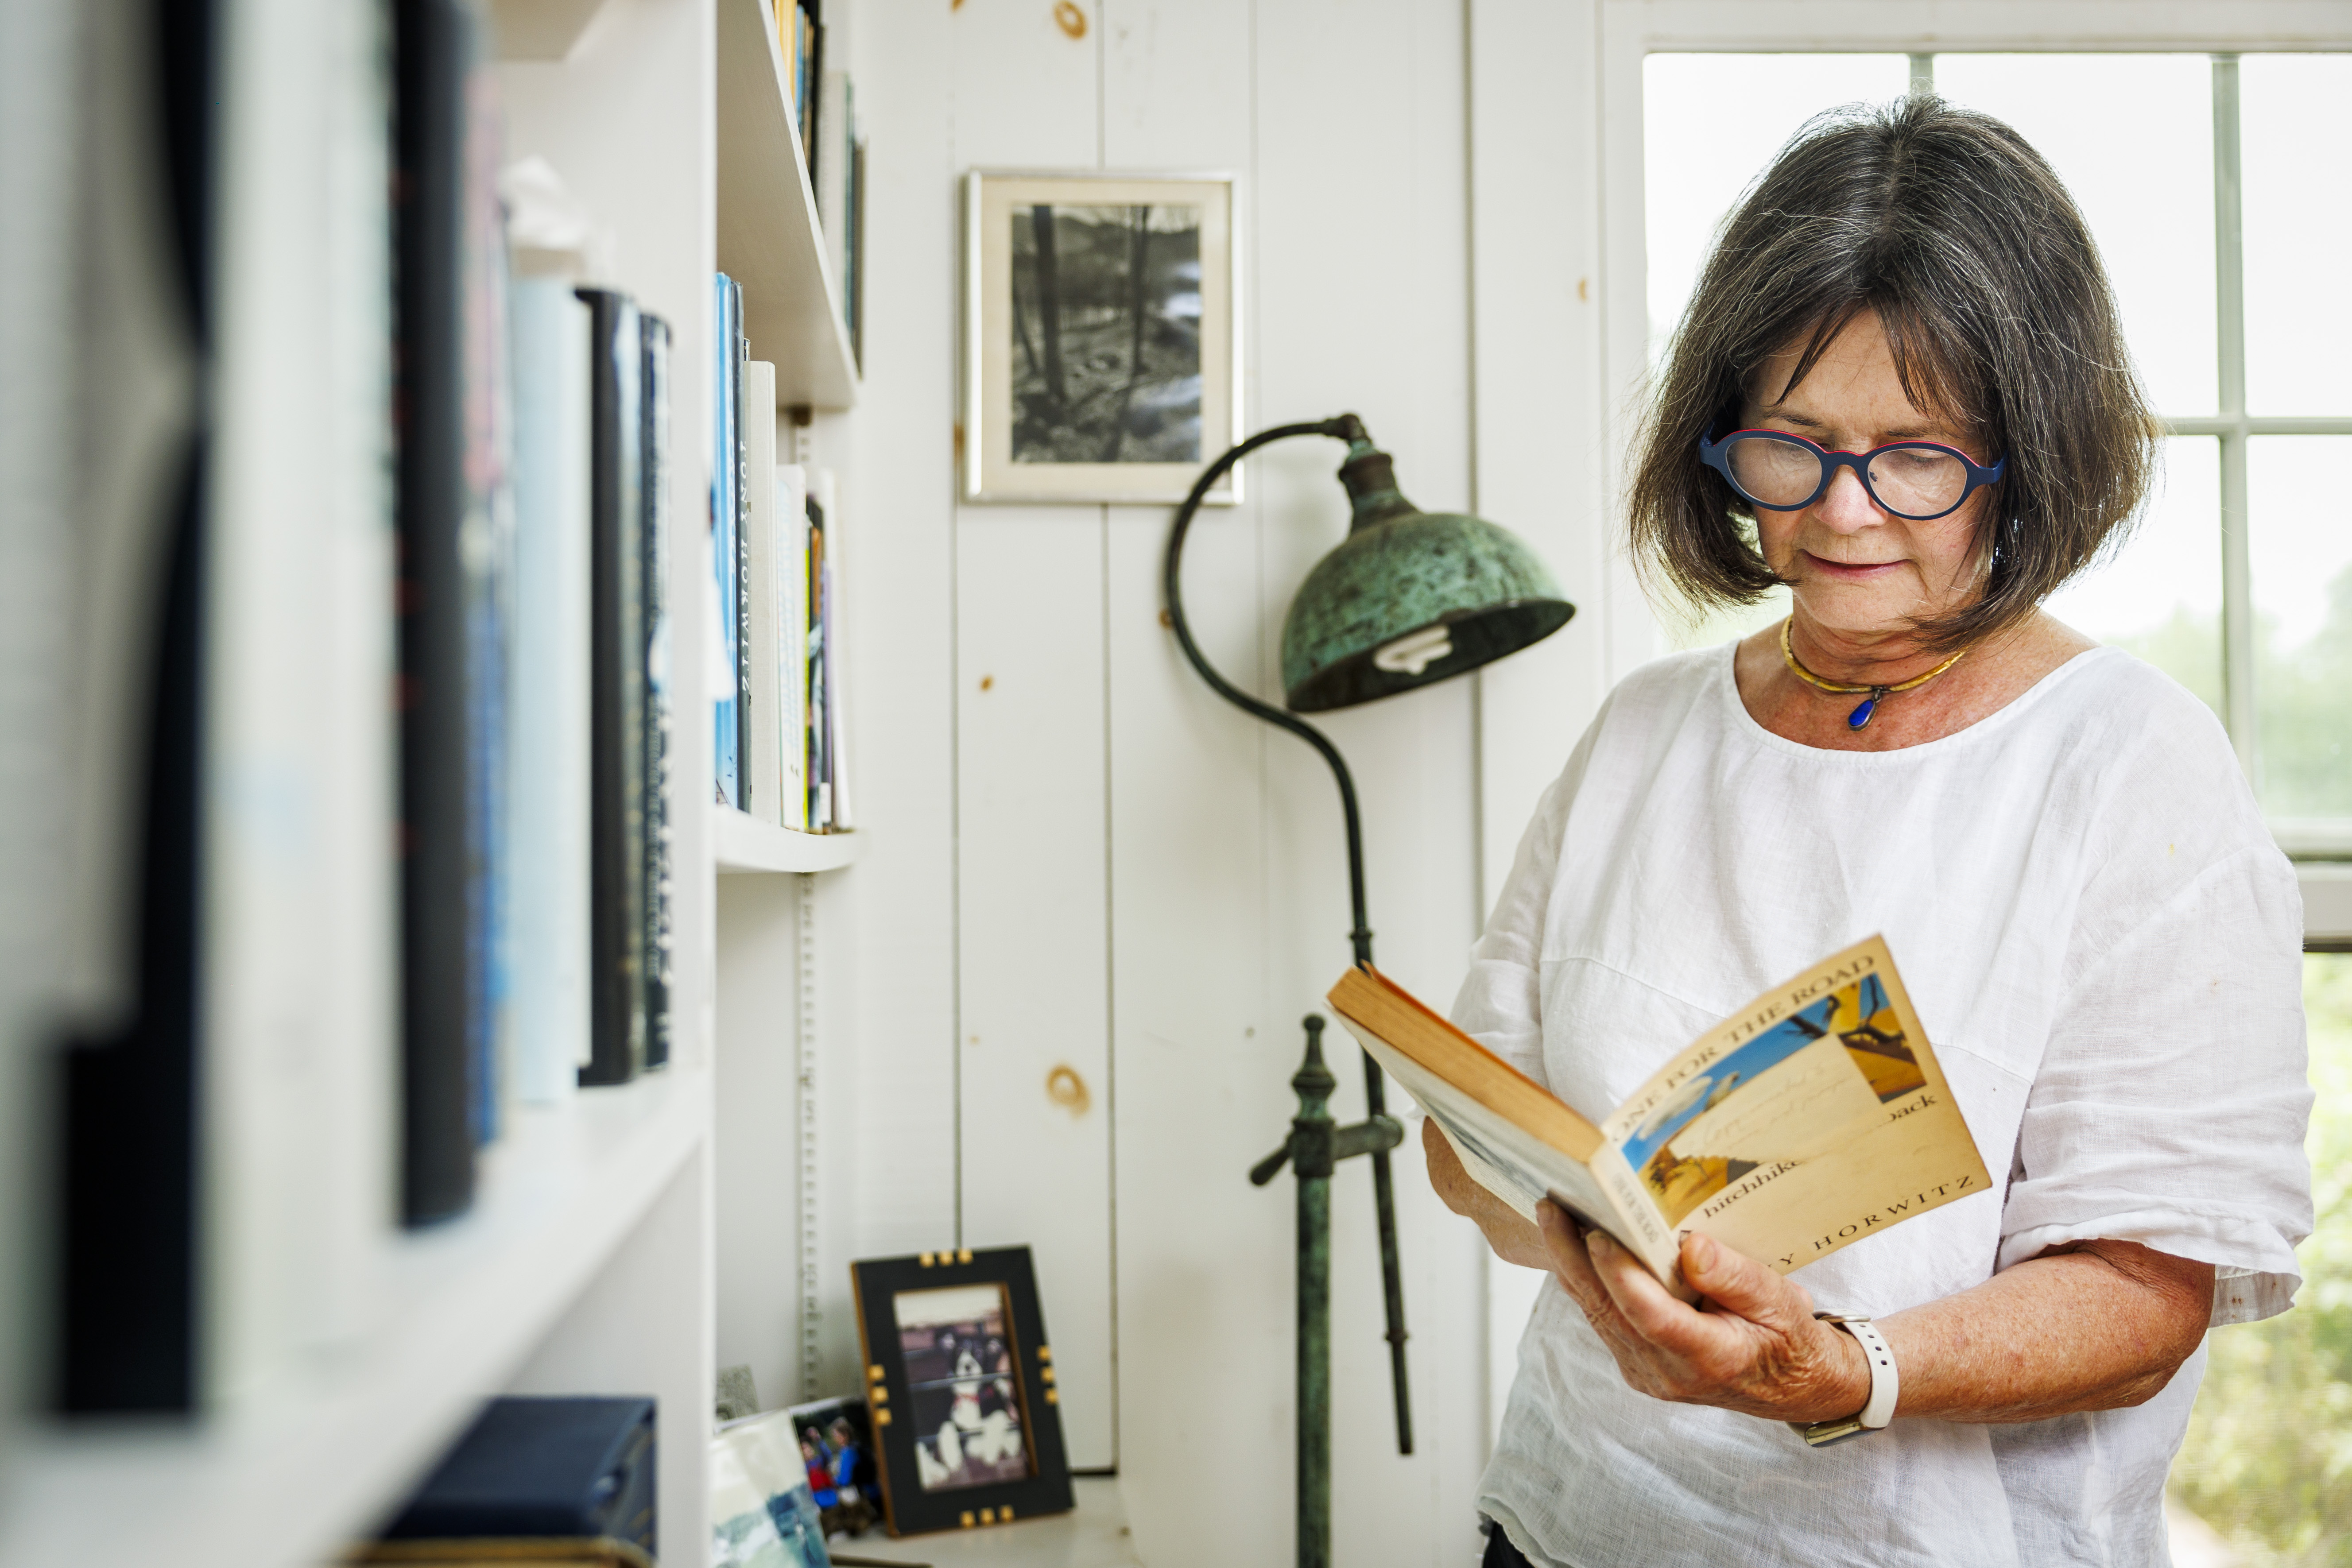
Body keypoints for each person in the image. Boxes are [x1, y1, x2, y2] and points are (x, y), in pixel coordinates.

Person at [1429, 96, 2313, 1568]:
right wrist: (1572, 1214)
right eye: (1793, 445)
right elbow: (1479, 1136)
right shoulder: (1644, 731)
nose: (1842, 514)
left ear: (2031, 454)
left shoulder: (2132, 769)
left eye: (1917, 458)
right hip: (1569, 1523)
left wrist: (1838, 1370)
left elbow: (2146, 1295)